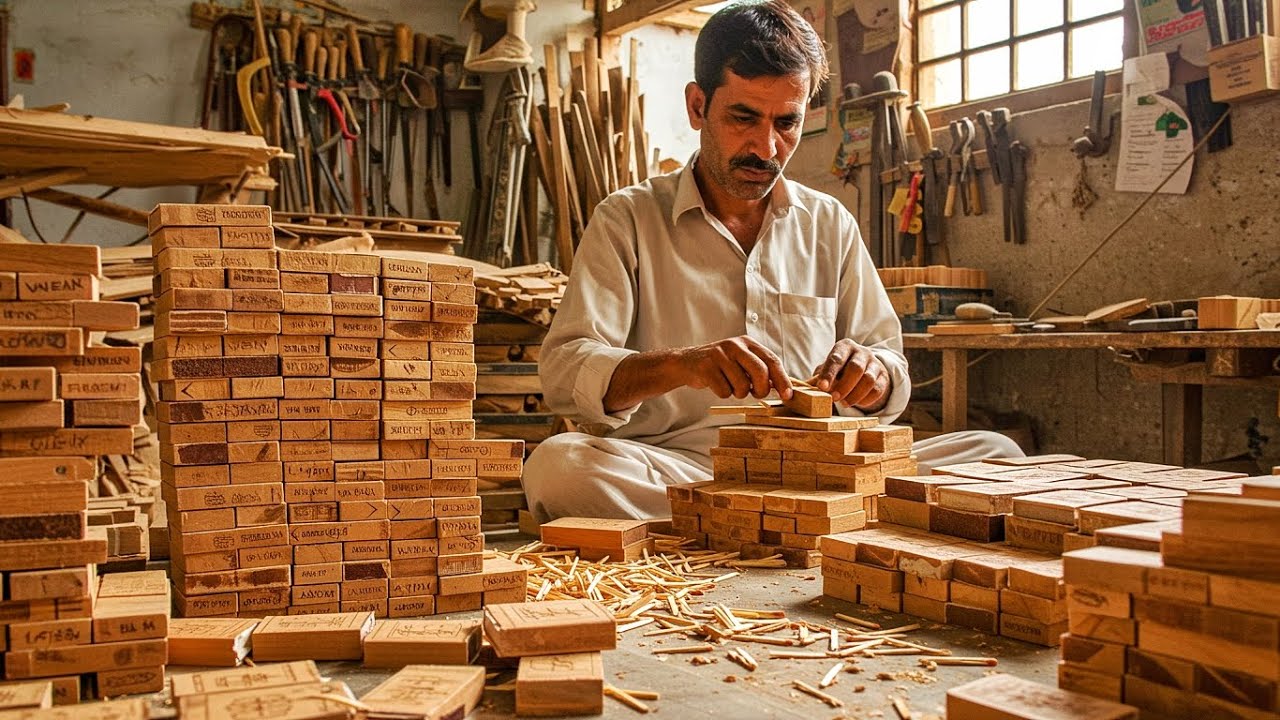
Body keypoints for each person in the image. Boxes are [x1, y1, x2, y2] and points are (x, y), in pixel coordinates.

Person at [522, 0, 1022, 521]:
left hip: (827, 468)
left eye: (787, 122)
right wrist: (682, 365)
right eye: (743, 117)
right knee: (559, 469)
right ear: (697, 107)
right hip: (688, 469)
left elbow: (889, 364)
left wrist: (873, 377)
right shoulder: (626, 219)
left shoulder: (829, 223)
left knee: (996, 454)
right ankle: (804, 524)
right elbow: (564, 373)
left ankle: (768, 523)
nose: (766, 146)